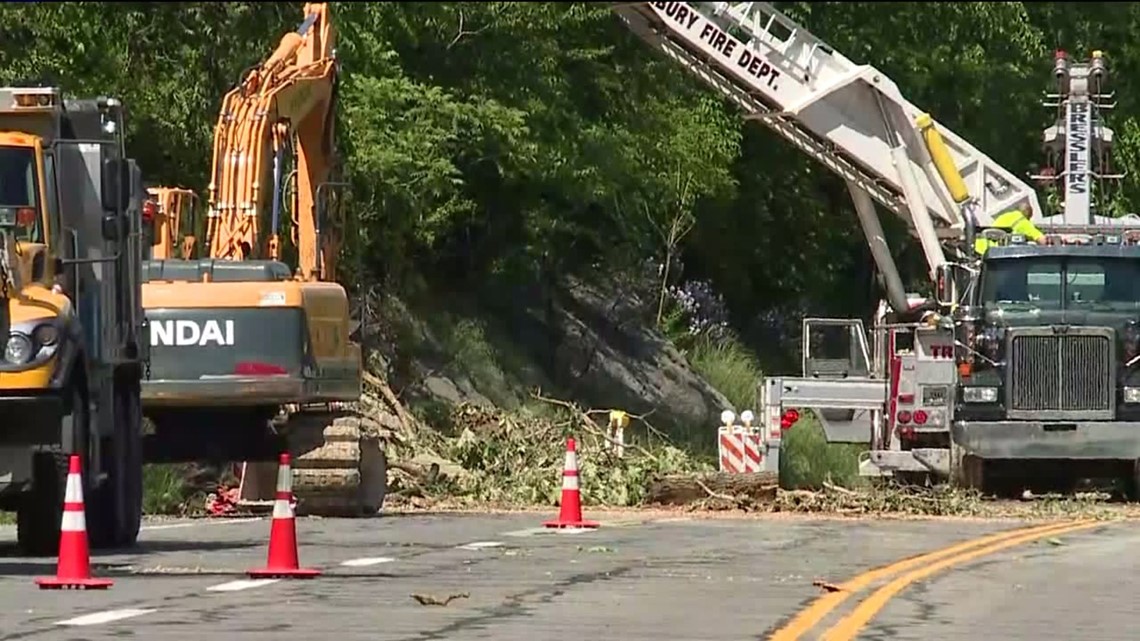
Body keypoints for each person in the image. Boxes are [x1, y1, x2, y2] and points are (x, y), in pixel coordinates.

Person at [973, 203, 1047, 255]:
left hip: (979, 247)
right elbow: (1042, 239)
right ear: (1028, 215)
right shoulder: (1023, 221)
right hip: (994, 251)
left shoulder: (1004, 216)